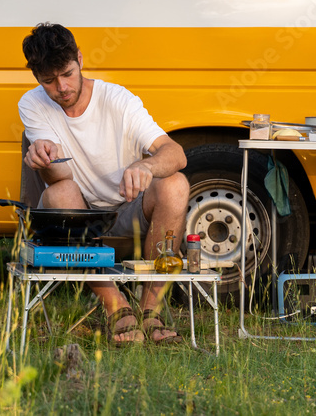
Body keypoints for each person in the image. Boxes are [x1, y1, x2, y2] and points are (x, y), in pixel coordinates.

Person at [18, 23, 190, 345]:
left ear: (80, 59)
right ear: (37, 80)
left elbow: (176, 154)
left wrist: (146, 166)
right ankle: (118, 309)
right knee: (61, 191)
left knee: (175, 184)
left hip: (126, 211)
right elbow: (61, 181)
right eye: (49, 81)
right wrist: (45, 161)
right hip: (77, 219)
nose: (62, 87)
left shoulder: (118, 99)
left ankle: (150, 312)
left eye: (67, 74)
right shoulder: (32, 103)